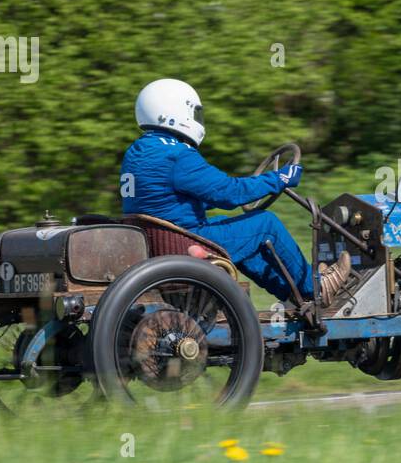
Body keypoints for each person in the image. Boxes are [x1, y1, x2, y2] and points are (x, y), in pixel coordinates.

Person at [120, 78, 350, 304]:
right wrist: (280, 178)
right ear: (176, 111)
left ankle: (294, 295)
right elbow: (230, 194)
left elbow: (168, 198)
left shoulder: (137, 152)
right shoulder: (176, 155)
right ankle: (315, 287)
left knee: (239, 232)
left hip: (164, 242)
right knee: (265, 224)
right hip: (184, 245)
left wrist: (253, 187)